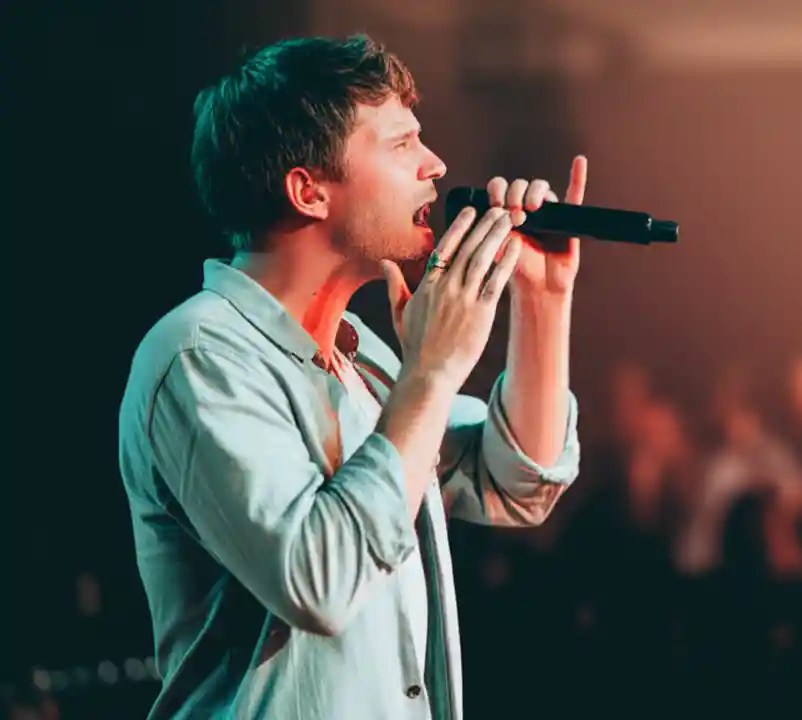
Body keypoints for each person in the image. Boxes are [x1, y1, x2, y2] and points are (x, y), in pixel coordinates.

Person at [117, 34, 586, 719]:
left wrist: (543, 301)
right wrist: (428, 375)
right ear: (308, 190)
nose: (436, 164)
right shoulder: (200, 357)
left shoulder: (359, 355)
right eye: (401, 145)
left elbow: (517, 482)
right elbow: (319, 580)